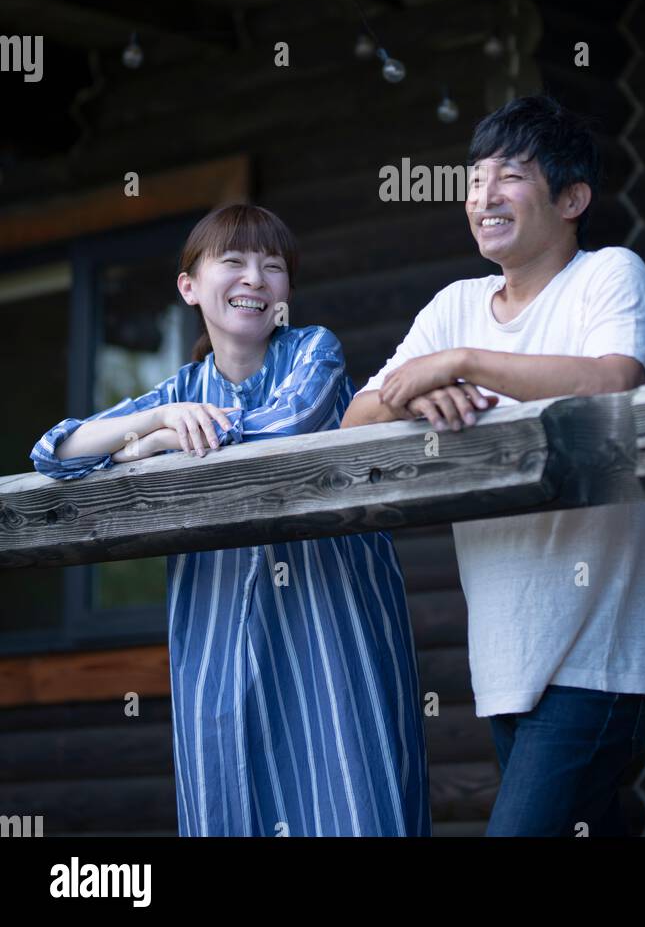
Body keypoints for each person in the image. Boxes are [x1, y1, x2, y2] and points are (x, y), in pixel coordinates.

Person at [31, 203, 431, 838]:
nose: (255, 278)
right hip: (216, 632)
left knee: (350, 797)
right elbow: (54, 449)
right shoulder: (178, 391)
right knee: (228, 799)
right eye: (235, 261)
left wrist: (161, 446)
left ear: (286, 294)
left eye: (273, 267)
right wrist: (151, 428)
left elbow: (286, 427)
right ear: (189, 286)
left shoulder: (312, 351)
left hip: (327, 619)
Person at [341, 95, 645, 837]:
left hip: (600, 650)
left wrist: (459, 362)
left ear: (571, 198)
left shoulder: (610, 275)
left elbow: (613, 379)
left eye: (511, 177)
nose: (483, 197)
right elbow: (357, 418)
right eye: (475, 179)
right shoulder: (453, 302)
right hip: (504, 654)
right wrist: (418, 396)